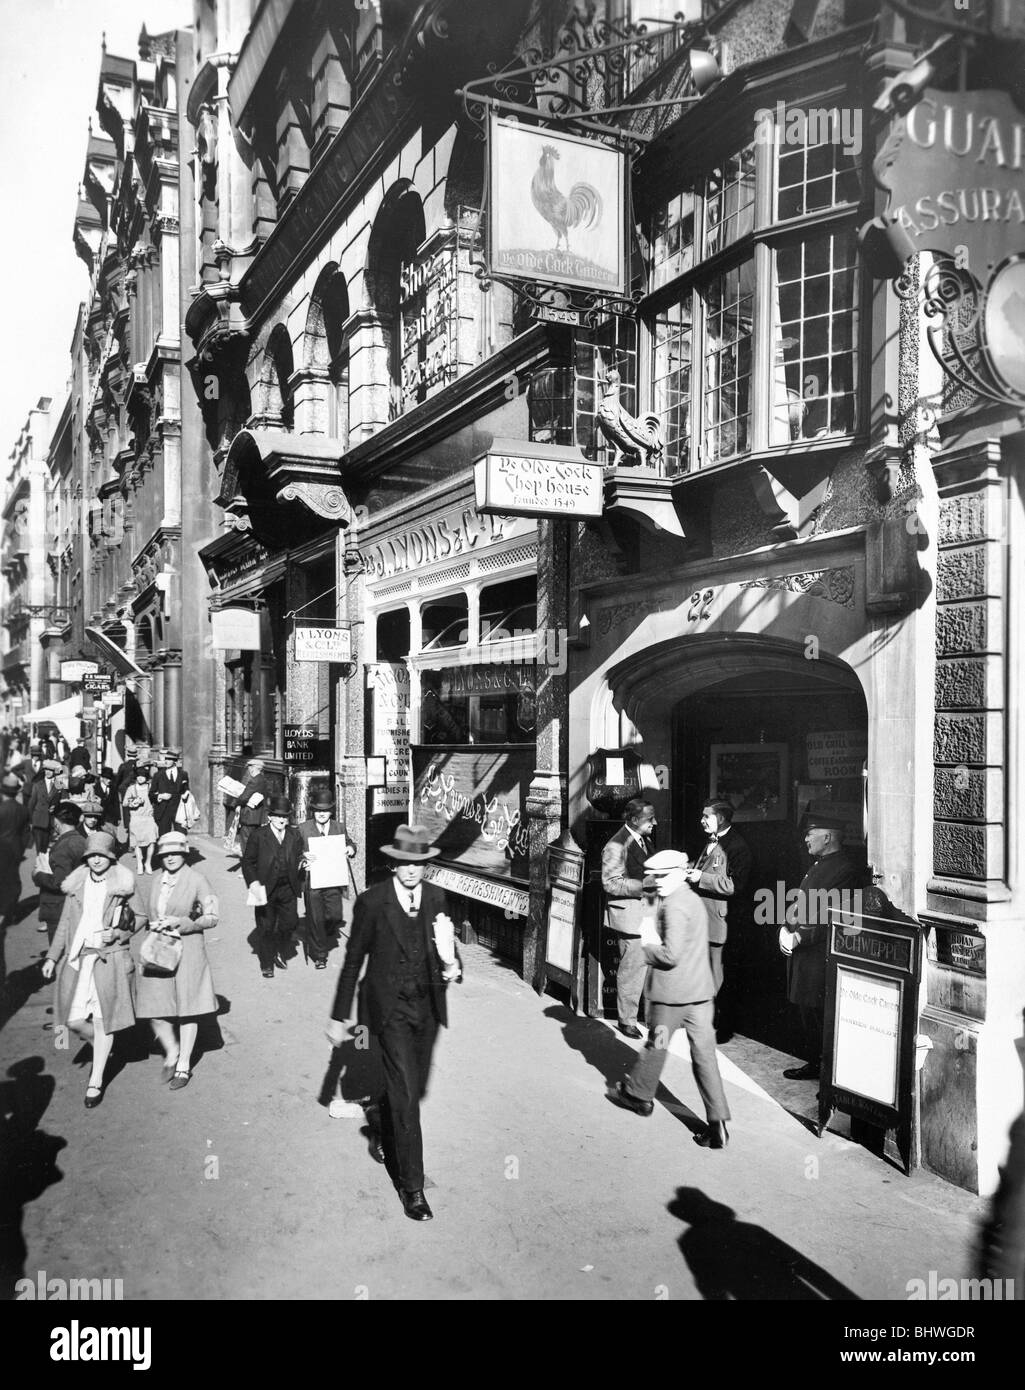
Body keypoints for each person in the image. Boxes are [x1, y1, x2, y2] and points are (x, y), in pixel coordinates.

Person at [326, 824, 461, 1222]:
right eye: (404, 863)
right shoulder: (372, 902)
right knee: (406, 1095)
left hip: (426, 1010)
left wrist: (453, 967)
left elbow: (445, 948)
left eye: (419, 863)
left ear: (426, 866)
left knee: (409, 1090)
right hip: (387, 1011)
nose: (411, 870)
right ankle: (413, 1186)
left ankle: (382, 1125)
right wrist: (338, 1015)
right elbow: (353, 962)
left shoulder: (437, 897)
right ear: (394, 863)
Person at [607, 849, 732, 1150]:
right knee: (705, 1057)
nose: (657, 881)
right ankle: (718, 1126)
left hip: (672, 997)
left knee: (658, 1045)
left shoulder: (674, 906)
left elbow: (671, 955)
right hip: (700, 994)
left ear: (680, 871)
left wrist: (648, 943)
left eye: (663, 875)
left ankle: (638, 1096)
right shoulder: (691, 899)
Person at [41, 832, 136, 1107]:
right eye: (91, 856)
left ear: (110, 857)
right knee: (72, 1019)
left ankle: (96, 1079)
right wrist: (51, 957)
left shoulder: (123, 884)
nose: (96, 860)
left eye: (101, 856)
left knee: (101, 1019)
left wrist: (117, 933)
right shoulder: (77, 884)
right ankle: (104, 1049)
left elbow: (139, 919)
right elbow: (64, 925)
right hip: (78, 958)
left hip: (108, 958)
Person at [777, 812, 864, 1081]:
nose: (805, 839)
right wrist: (784, 926)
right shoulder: (820, 864)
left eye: (810, 834)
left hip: (819, 954)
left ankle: (827, 1074)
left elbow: (829, 913)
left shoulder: (844, 869)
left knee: (821, 1016)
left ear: (827, 837)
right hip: (806, 953)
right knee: (809, 1013)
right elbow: (801, 902)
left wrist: (799, 936)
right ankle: (816, 1064)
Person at [132, 831, 219, 1092]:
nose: (170, 858)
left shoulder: (198, 880)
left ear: (184, 854)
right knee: (155, 1008)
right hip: (159, 949)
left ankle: (183, 1064)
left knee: (187, 1008)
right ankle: (171, 1050)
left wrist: (184, 923)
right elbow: (146, 915)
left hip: (189, 950)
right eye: (166, 854)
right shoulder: (157, 880)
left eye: (175, 853)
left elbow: (212, 917)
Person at [684, 797, 753, 998]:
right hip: (701, 920)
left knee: (715, 977)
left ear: (720, 818)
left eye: (706, 816)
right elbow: (705, 867)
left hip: (716, 922)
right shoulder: (713, 840)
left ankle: (712, 1022)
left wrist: (701, 877)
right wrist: (689, 868)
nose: (701, 820)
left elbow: (735, 885)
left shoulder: (737, 846)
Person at [601, 797, 657, 1038]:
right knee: (632, 969)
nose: (654, 822)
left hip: (647, 913)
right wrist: (645, 885)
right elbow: (611, 883)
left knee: (648, 968)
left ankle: (647, 1017)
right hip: (631, 917)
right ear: (634, 820)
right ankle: (627, 1020)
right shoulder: (615, 845)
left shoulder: (643, 839)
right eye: (649, 819)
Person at [241, 793, 304, 978]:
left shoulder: (294, 835)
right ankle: (267, 963)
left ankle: (277, 949)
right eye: (277, 816)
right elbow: (247, 862)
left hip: (288, 888)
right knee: (266, 927)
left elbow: (299, 856)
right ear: (270, 817)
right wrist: (252, 881)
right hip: (264, 887)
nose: (281, 820)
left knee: (290, 924)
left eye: (284, 816)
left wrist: (303, 862)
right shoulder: (258, 835)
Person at [297, 786, 354, 969]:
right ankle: (319, 955)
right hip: (312, 881)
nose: (321, 814)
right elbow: (294, 852)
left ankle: (327, 930)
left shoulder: (339, 827)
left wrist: (351, 849)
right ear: (313, 810)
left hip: (333, 880)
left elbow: (349, 842)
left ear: (331, 811)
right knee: (315, 918)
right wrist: (303, 858)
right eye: (318, 810)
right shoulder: (303, 829)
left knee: (335, 915)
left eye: (325, 810)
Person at [32, 801, 87, 940]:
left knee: (59, 952)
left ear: (57, 820)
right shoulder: (82, 841)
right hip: (78, 904)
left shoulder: (63, 846)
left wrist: (38, 875)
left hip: (59, 908)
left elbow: (59, 883)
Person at [0, 773, 31, 928]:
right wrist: (21, 848)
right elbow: (26, 833)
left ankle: (3, 911)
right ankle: (9, 911)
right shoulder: (23, 810)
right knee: (12, 881)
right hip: (15, 851)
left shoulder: (1, 809)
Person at [123, 768, 158, 874]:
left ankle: (148, 862)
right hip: (136, 818)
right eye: (138, 776)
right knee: (137, 843)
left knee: (152, 841)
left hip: (149, 817)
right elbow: (124, 803)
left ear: (146, 777)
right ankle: (139, 863)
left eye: (142, 776)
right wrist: (133, 802)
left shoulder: (150, 787)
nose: (140, 778)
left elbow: (156, 799)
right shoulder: (131, 788)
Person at [232, 757, 270, 855]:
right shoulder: (262, 779)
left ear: (253, 768)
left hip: (249, 817)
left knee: (246, 842)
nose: (248, 770)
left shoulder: (254, 781)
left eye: (249, 767)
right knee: (254, 842)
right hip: (258, 816)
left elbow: (244, 797)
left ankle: (248, 864)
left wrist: (237, 803)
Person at [149, 749, 189, 839]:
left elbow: (186, 789)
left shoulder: (183, 774)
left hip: (179, 810)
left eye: (169, 759)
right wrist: (160, 796)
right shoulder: (158, 775)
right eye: (165, 759)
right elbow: (151, 794)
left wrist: (186, 793)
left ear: (175, 761)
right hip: (163, 811)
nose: (166, 761)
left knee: (181, 835)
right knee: (163, 836)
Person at [27, 758, 63, 854]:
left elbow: (60, 801)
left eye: (50, 771)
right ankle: (39, 864)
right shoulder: (37, 785)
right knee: (39, 848)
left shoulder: (58, 785)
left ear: (54, 772)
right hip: (38, 820)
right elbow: (31, 803)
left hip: (50, 821)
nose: (48, 772)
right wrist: (29, 821)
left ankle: (41, 864)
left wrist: (55, 807)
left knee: (45, 847)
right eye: (46, 770)